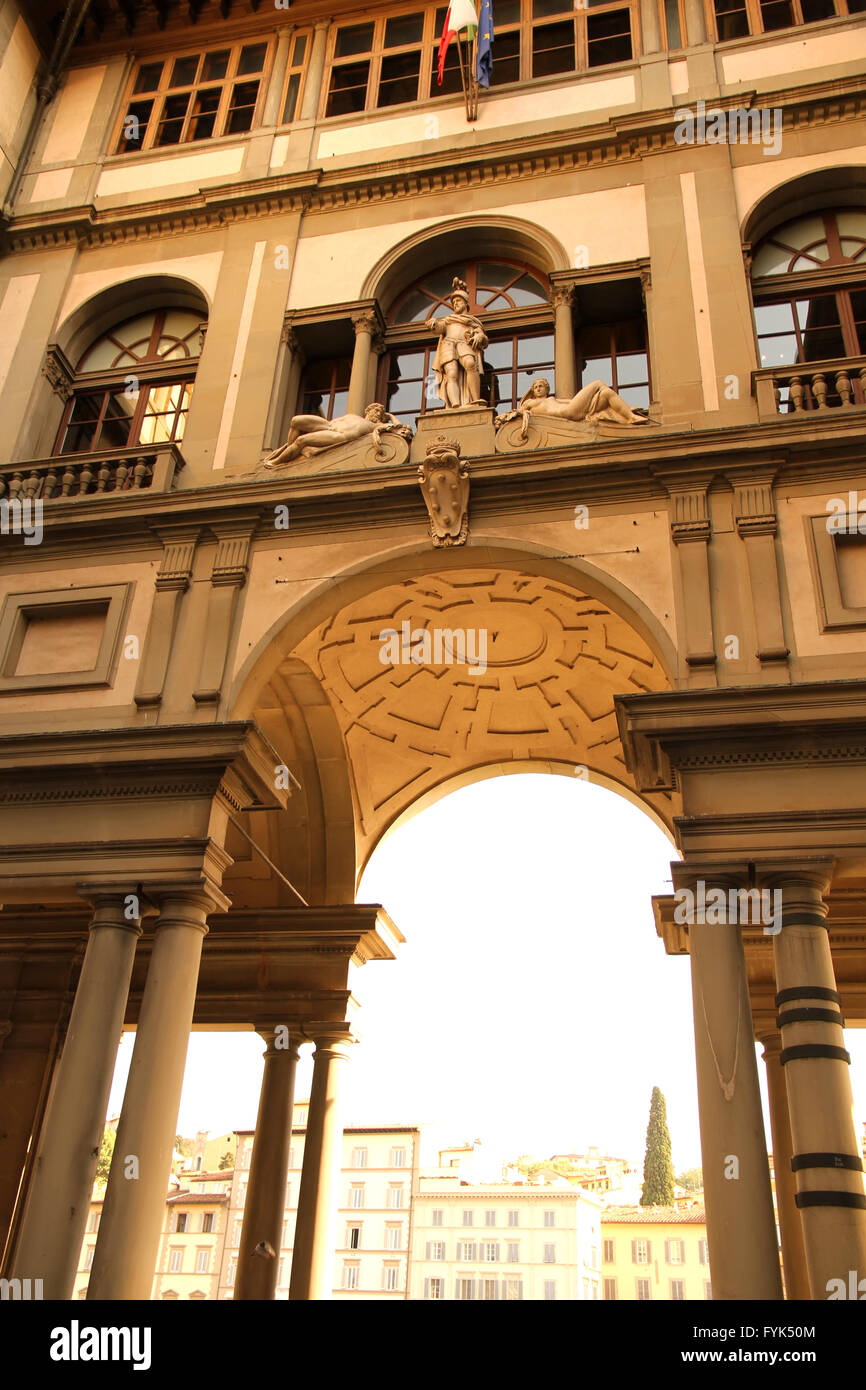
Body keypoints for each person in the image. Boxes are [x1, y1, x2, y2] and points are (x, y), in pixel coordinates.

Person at [498, 376, 652, 439]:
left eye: (541, 386)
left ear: (547, 389)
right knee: (598, 383)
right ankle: (629, 414)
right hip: (567, 413)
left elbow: (571, 402)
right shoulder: (530, 403)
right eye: (536, 386)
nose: (538, 388)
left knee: (604, 393)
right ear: (532, 390)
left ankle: (628, 413)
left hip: (571, 411)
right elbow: (520, 412)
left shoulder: (553, 399)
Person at [264, 402, 410, 467]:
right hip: (328, 425)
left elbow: (398, 426)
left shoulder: (376, 425)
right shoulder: (354, 416)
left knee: (302, 440)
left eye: (380, 413)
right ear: (368, 411)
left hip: (339, 436)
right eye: (375, 410)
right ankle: (288, 456)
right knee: (296, 421)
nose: (377, 414)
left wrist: (389, 416)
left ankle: (276, 463)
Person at [425, 276, 488, 408]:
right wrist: (434, 324)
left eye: (458, 301)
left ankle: (475, 399)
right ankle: (455, 404)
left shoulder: (472, 321)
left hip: (463, 344)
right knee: (451, 373)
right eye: (453, 302)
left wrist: (479, 337)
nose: (455, 304)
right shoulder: (449, 319)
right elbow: (440, 328)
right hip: (448, 344)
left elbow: (481, 335)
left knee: (471, 365)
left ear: (466, 303)